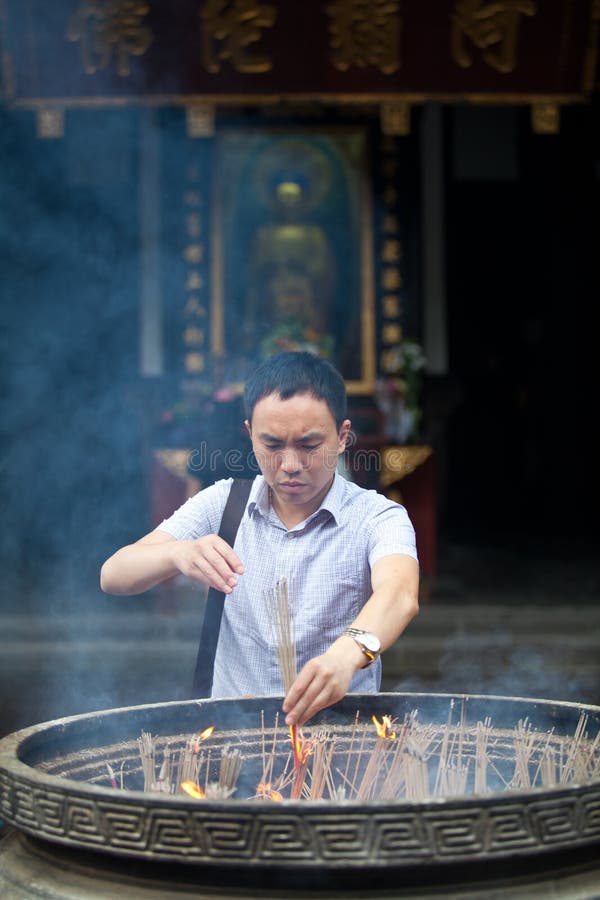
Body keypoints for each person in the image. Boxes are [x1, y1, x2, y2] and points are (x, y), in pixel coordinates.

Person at [100, 352, 420, 726]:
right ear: (250, 434)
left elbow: (399, 594)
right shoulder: (223, 504)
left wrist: (346, 656)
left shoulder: (377, 516)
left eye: (309, 445)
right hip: (236, 738)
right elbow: (114, 575)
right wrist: (176, 553)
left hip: (342, 739)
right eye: (272, 445)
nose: (290, 465)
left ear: (343, 437)